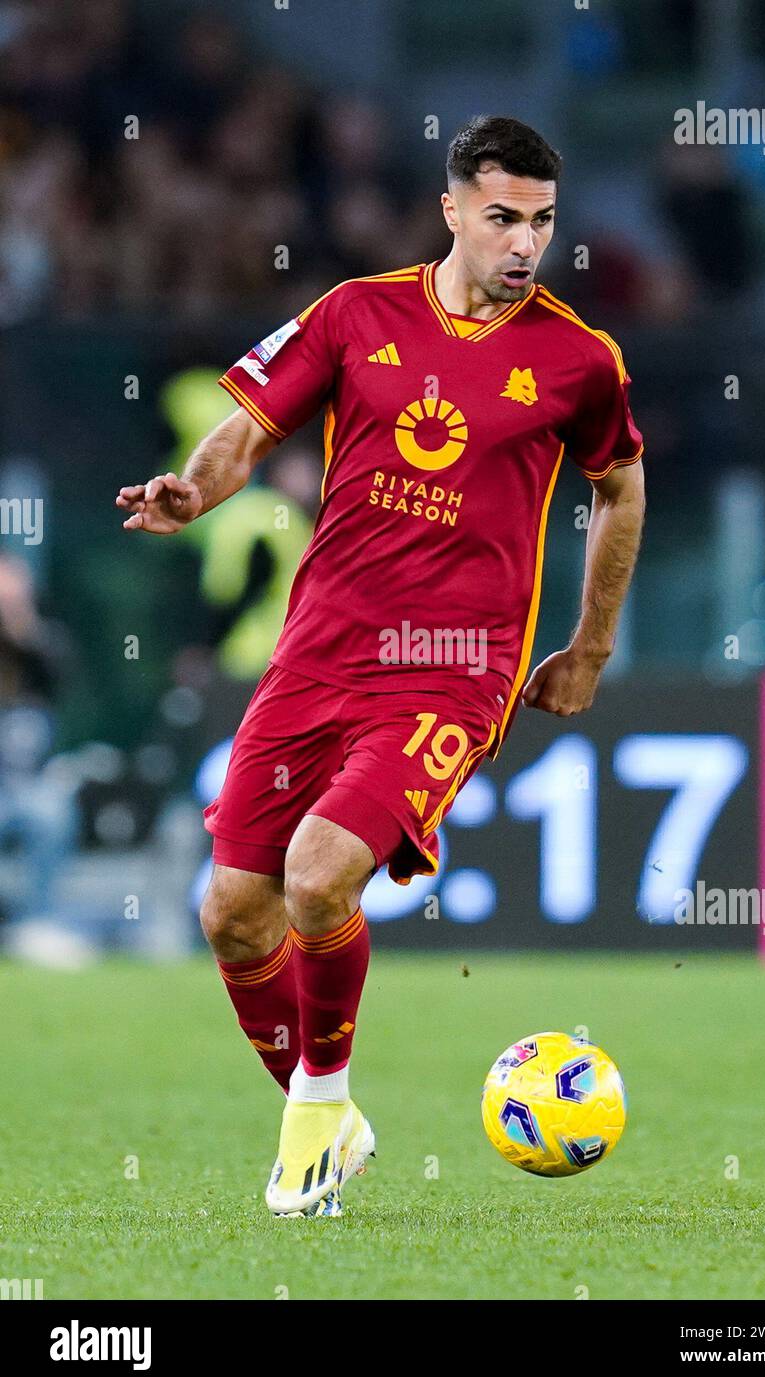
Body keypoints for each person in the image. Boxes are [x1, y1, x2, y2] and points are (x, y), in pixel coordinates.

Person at [116, 116, 645, 1219]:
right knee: (234, 911)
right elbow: (248, 427)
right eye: (501, 217)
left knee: (316, 879)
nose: (523, 244)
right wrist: (191, 489)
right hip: (316, 653)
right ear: (451, 209)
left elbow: (619, 486)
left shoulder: (578, 359)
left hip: (454, 666)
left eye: (542, 222)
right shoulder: (357, 312)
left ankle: (318, 1106)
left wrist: (588, 645)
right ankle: (327, 1117)